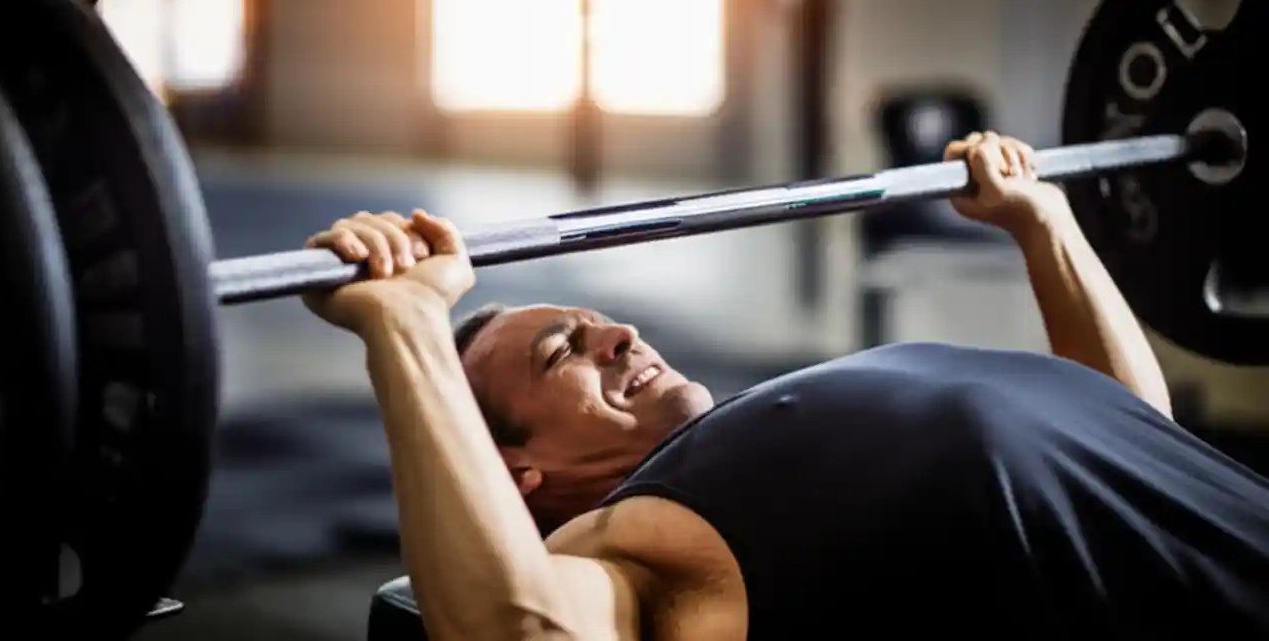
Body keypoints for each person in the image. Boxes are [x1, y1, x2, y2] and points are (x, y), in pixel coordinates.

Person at [302, 132, 1269, 640]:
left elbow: (1131, 431)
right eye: (565, 353)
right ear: (519, 471)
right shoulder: (637, 551)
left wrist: (1044, 223)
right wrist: (406, 324)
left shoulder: (748, 440)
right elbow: (516, 628)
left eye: (598, 322)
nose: (619, 335)